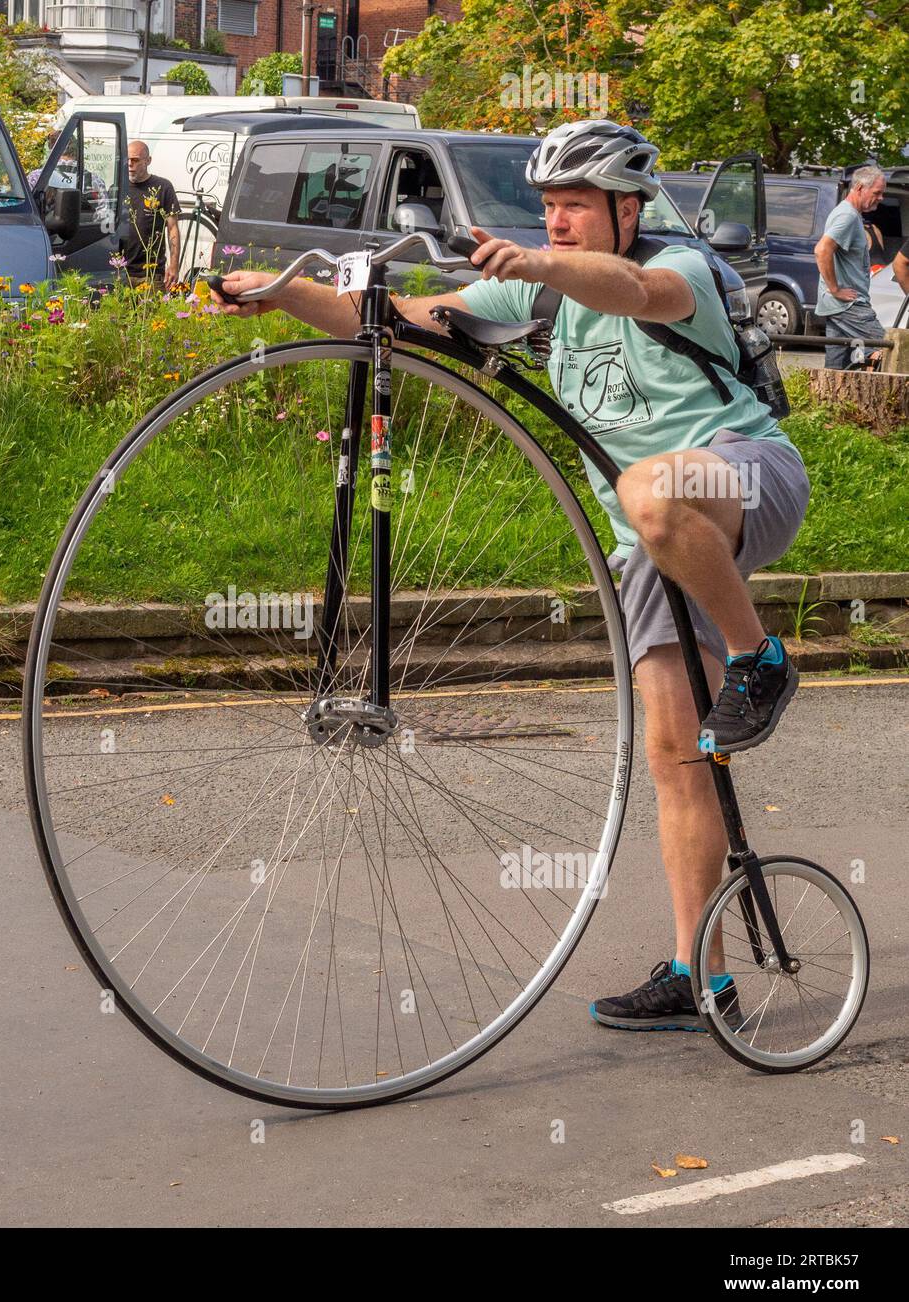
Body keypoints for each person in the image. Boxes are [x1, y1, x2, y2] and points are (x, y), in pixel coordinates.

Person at [209, 120, 812, 1034]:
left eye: (575, 206)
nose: (557, 221)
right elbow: (405, 323)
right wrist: (285, 294)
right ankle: (703, 975)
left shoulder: (682, 270)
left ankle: (759, 656)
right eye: (548, 208)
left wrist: (538, 266)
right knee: (677, 755)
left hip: (741, 476)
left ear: (626, 206)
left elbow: (633, 289)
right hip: (653, 540)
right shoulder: (539, 293)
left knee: (649, 487)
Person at [814, 166, 887, 369]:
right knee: (889, 351)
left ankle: (826, 401)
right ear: (860, 188)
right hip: (849, 306)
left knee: (837, 371)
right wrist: (835, 289)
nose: (881, 198)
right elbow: (822, 250)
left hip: (837, 306)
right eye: (877, 193)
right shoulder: (846, 216)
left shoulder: (849, 214)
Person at [122, 140, 180, 287]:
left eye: (135, 160)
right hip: (121, 271)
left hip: (151, 273)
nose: (130, 164)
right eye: (127, 159)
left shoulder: (163, 187)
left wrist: (174, 265)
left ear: (148, 161)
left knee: (151, 310)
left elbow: (173, 228)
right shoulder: (118, 187)